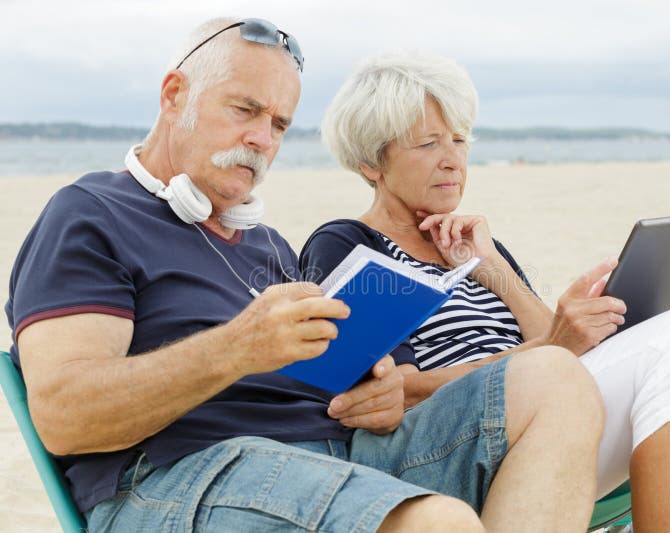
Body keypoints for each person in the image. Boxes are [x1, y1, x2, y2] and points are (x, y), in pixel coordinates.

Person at [5, 18, 609, 532]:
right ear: (173, 95)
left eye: (278, 125)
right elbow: (64, 417)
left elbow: (332, 381)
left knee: (554, 375)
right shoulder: (91, 212)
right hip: (181, 476)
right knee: (436, 523)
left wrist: (384, 395)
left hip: (333, 455)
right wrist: (236, 347)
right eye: (245, 109)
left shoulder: (266, 244)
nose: (260, 139)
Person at [300, 50, 670, 532]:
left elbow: (562, 349)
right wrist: (544, 353)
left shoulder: (472, 244)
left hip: (557, 402)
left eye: (460, 140)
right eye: (429, 144)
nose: (453, 160)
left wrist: (492, 266)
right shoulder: (350, 242)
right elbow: (396, 389)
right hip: (477, 439)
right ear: (372, 164)